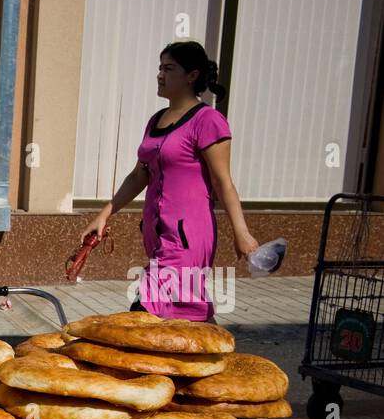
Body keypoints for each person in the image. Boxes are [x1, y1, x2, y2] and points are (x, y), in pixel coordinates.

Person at [81, 41, 259, 322]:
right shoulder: (156, 120)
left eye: (169, 68)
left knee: (145, 311)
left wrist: (242, 232)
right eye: (159, 68)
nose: (160, 75)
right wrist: (104, 214)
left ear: (191, 76)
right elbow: (140, 173)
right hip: (157, 234)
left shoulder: (208, 120)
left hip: (188, 236)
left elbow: (223, 182)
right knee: (185, 315)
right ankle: (218, 360)